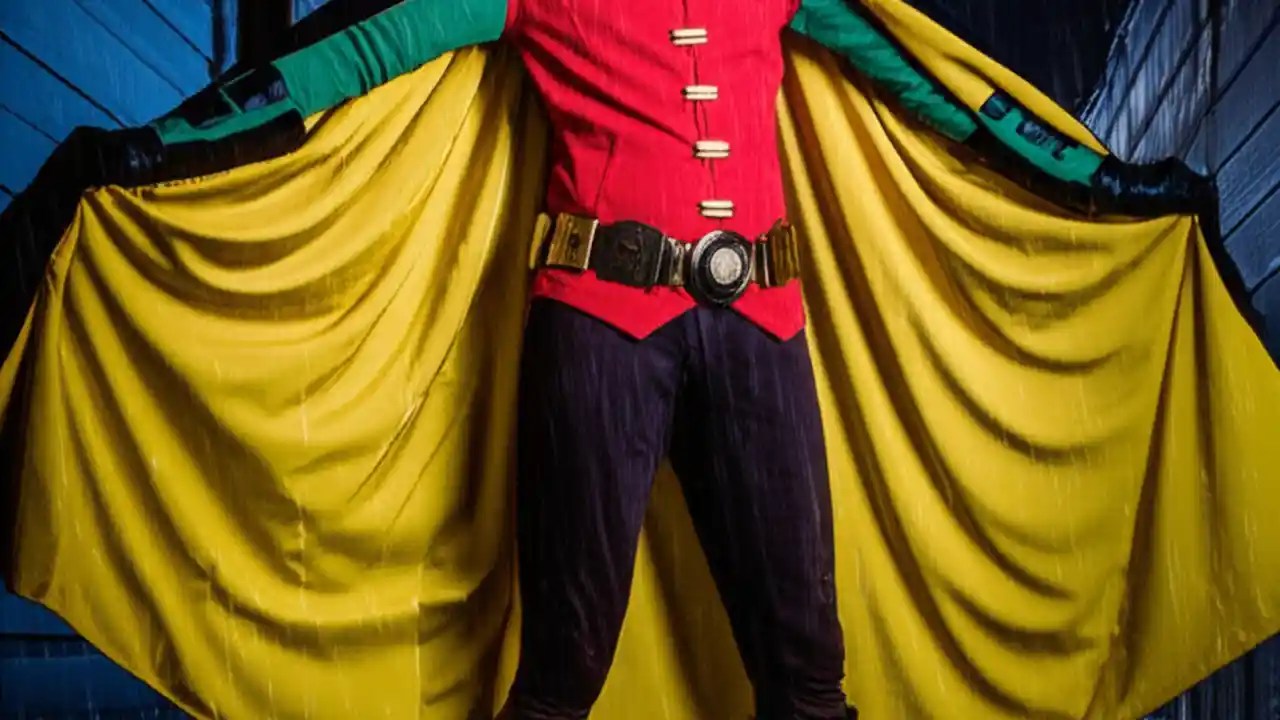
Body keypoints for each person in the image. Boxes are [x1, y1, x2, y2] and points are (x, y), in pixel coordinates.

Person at [0, 1, 1223, 719]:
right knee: (563, 665)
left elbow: (941, 94)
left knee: (804, 665)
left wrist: (1102, 183)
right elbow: (349, 56)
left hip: (764, 332)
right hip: (594, 326)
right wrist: (159, 147)